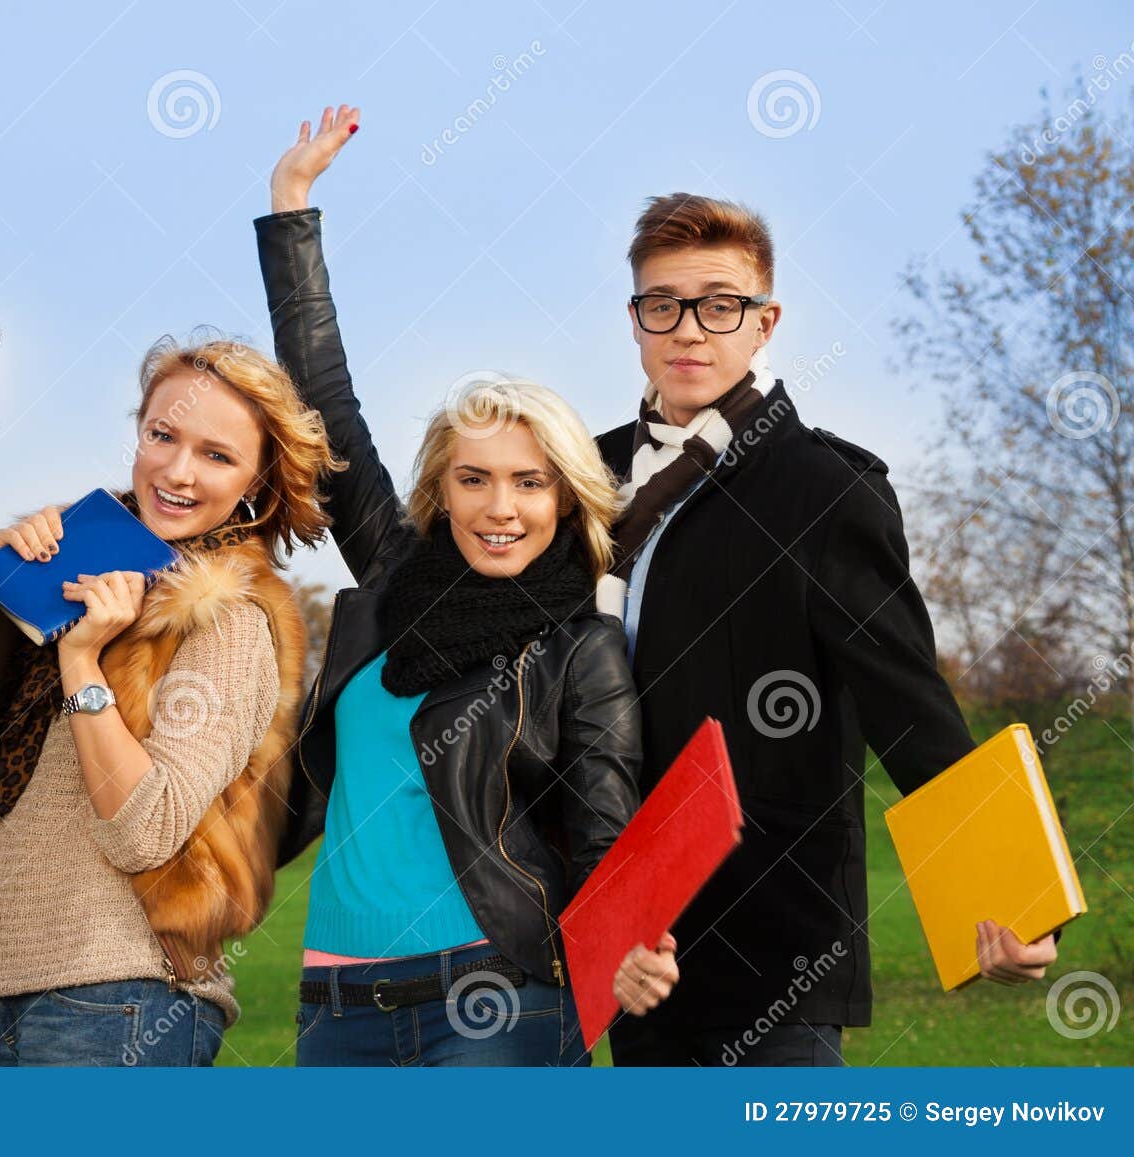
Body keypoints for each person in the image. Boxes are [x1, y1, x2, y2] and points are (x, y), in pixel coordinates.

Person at [594, 192, 1059, 1066]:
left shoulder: (821, 488)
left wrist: (1015, 894)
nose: (690, 329)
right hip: (628, 939)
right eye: (664, 304)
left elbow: (909, 699)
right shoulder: (584, 473)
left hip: (776, 941)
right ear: (635, 320)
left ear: (765, 322)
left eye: (720, 304)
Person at [256, 106, 676, 1067]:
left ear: (566, 499)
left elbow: (604, 823)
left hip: (496, 998)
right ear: (438, 493)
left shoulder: (583, 646)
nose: (502, 506)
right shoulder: (399, 582)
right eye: (474, 478)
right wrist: (292, 207)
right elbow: (323, 398)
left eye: (531, 481)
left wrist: (630, 942)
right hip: (334, 997)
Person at [0, 335, 340, 1067]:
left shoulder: (229, 618)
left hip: (119, 999)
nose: (177, 471)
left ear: (258, 479)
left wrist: (81, 661)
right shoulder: (83, 561)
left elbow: (144, 833)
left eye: (217, 455)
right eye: (163, 435)